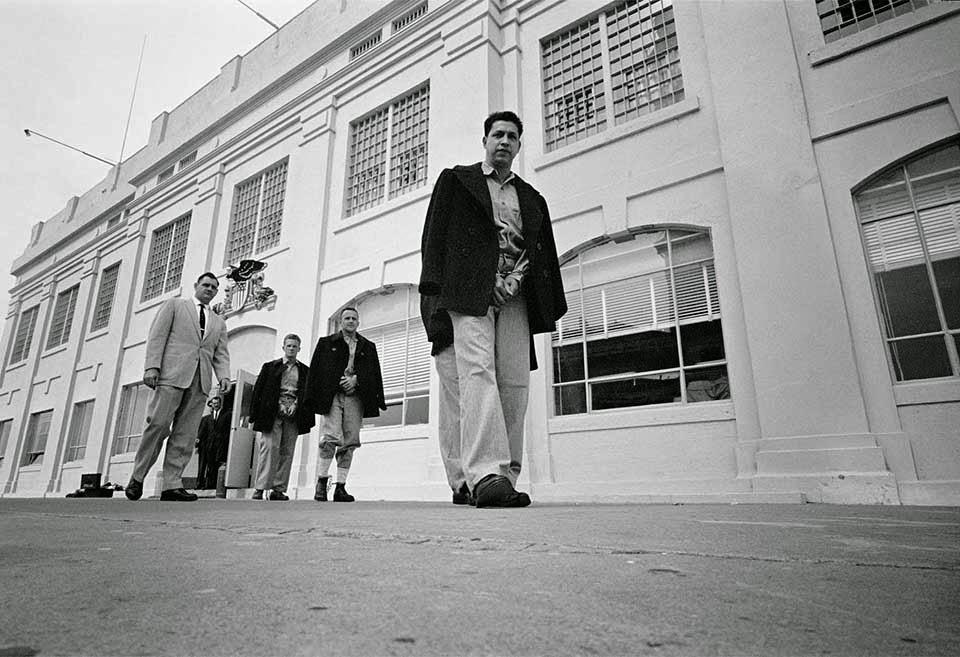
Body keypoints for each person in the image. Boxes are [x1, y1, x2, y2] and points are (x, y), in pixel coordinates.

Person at [419, 110, 566, 508]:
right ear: (485, 141)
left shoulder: (532, 198)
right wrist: (437, 294)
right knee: (477, 373)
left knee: (515, 382)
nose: (504, 141)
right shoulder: (456, 180)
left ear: (519, 145)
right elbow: (436, 238)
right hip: (469, 292)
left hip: (516, 295)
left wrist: (517, 281)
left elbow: (540, 251)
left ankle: (506, 475)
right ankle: (483, 474)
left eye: (512, 136)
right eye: (497, 134)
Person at [125, 272, 232, 502]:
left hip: (199, 381)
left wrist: (224, 376)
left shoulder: (218, 322)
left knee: (185, 435)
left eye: (214, 287)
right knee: (158, 425)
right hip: (171, 376)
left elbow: (220, 353)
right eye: (206, 284)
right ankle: (137, 476)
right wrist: (152, 367)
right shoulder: (174, 306)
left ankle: (172, 484)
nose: (210, 289)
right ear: (196, 286)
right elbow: (157, 336)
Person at [305, 307, 385, 502]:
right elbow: (315, 371)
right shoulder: (326, 343)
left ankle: (340, 486)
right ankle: (322, 482)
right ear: (341, 322)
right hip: (332, 396)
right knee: (330, 437)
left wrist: (356, 380)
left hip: (356, 397)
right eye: (347, 318)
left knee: (350, 440)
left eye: (354, 318)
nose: (350, 321)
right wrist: (311, 397)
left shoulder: (368, 346)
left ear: (358, 322)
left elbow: (374, 374)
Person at [249, 334, 315, 501]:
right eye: (289, 345)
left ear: (299, 349)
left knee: (287, 451)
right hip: (272, 412)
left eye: (295, 346)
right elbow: (260, 390)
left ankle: (278, 489)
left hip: (293, 413)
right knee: (269, 448)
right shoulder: (270, 367)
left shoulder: (305, 371)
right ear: (283, 347)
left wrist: (296, 405)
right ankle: (260, 487)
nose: (292, 348)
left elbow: (307, 392)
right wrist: (275, 405)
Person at [195, 396, 229, 489]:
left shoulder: (225, 416)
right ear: (211, 405)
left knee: (213, 465)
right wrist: (197, 443)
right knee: (202, 465)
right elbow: (201, 432)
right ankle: (200, 484)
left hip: (218, 445)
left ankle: (211, 484)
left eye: (217, 403)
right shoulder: (206, 418)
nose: (215, 405)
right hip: (206, 445)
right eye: (214, 403)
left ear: (220, 404)